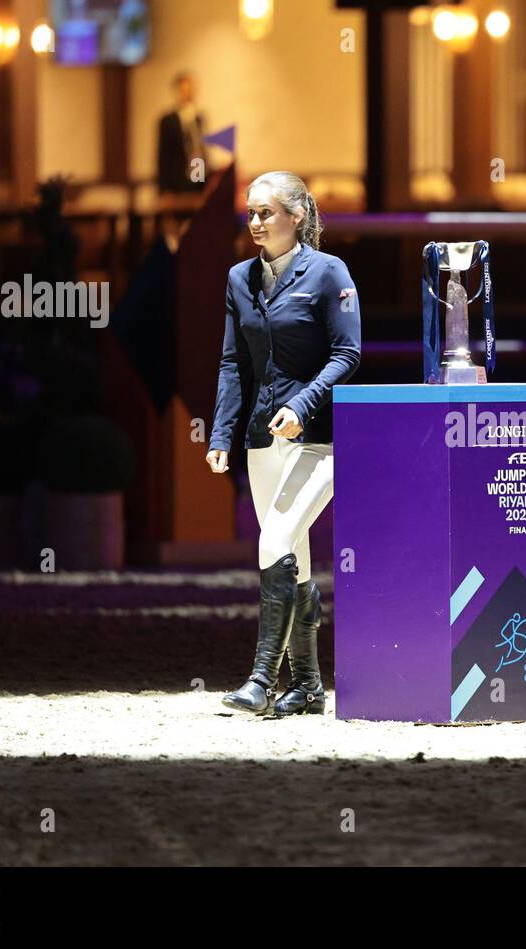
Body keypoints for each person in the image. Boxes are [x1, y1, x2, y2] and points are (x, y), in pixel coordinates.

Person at [207, 171, 361, 717]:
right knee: (293, 559)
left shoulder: (327, 273)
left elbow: (347, 354)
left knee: (273, 542)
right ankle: (309, 687)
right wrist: (222, 432)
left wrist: (302, 405)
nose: (254, 222)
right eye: (250, 213)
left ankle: (260, 678)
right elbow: (234, 362)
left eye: (265, 212)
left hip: (320, 441)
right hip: (259, 440)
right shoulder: (238, 279)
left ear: (296, 216)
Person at [157, 71, 206, 194]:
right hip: (177, 182)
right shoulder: (168, 121)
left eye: (190, 90)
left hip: (197, 178)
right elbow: (163, 156)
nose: (188, 94)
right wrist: (164, 188)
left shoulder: (198, 118)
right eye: (184, 90)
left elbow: (200, 148)